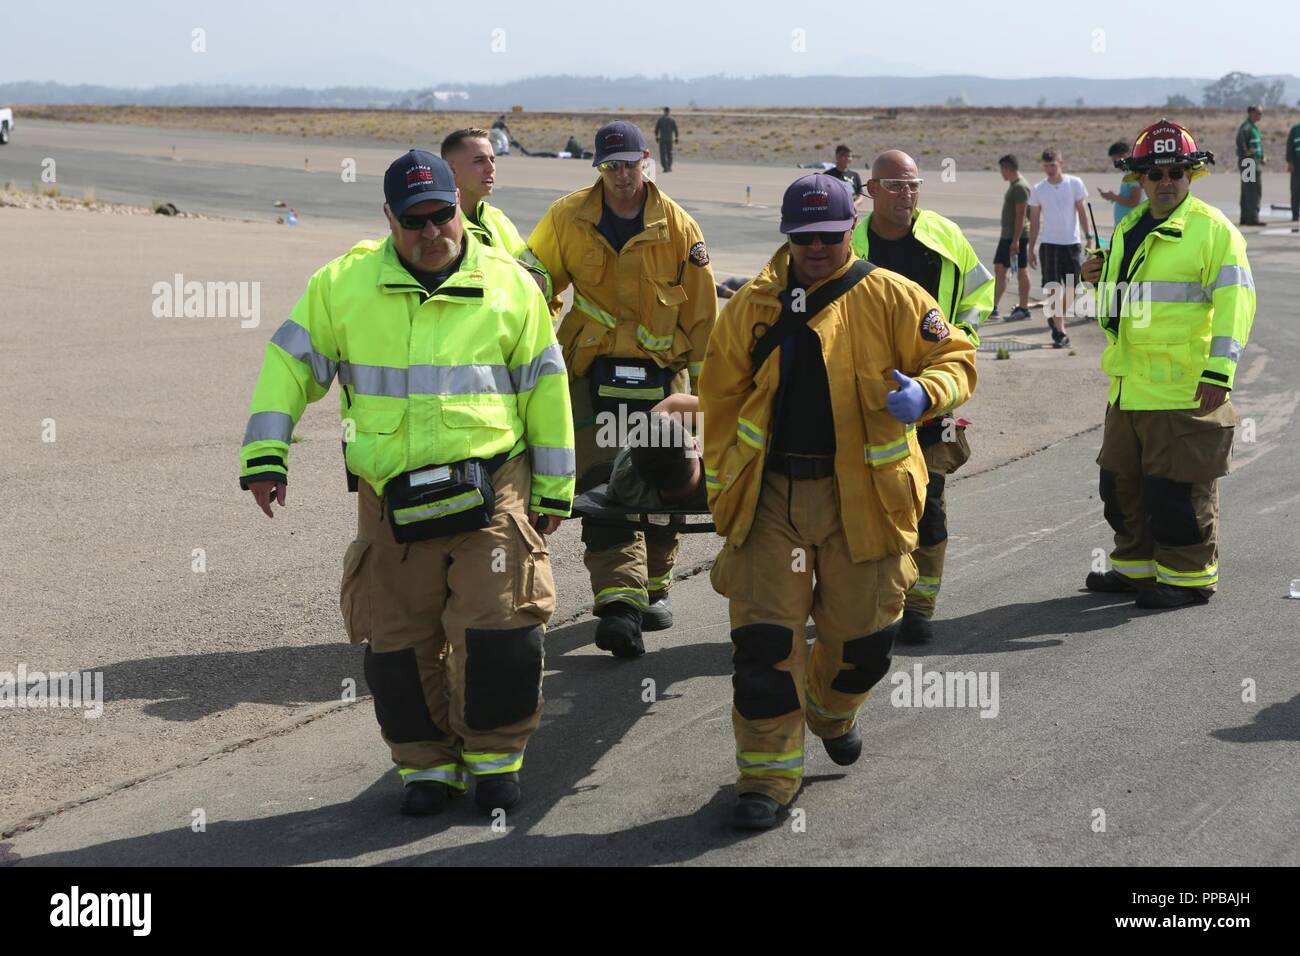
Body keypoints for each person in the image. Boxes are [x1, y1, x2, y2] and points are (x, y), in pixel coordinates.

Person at [238, 150, 574, 817]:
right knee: (397, 643)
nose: (431, 233)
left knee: (500, 631)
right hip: (390, 502)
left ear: (459, 208)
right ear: (388, 217)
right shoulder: (342, 286)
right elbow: (289, 365)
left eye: (442, 216)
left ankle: (495, 760)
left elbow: (547, 386)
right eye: (414, 220)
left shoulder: (509, 285)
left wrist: (553, 490)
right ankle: (427, 768)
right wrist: (267, 453)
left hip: (491, 488)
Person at [699, 173, 977, 829]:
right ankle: (765, 777)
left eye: (828, 235)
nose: (817, 248)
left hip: (865, 499)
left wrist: (928, 393)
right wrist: (724, 489)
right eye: (804, 237)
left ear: (850, 228)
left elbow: (959, 355)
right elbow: (717, 400)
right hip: (773, 501)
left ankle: (832, 709)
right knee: (765, 646)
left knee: (863, 645)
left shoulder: (894, 297)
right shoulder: (753, 306)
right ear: (788, 235)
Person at [523, 121, 718, 658]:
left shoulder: (679, 229)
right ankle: (619, 605)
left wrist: (709, 401)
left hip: (662, 379)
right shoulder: (568, 217)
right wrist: (526, 317)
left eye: (631, 164)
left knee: (664, 480)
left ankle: (656, 587)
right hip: (593, 374)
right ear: (598, 167)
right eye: (611, 166)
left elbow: (703, 319)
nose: (623, 175)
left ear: (647, 160)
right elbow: (533, 274)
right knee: (603, 485)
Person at [1081, 119, 1254, 610]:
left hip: (1183, 388)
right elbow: (1121, 304)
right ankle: (1136, 569)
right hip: (1129, 387)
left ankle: (1188, 578)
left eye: (1176, 171)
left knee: (1177, 491)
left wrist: (1220, 371)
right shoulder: (1131, 226)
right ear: (1139, 180)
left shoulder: (1212, 230)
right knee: (1120, 487)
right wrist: (1094, 275)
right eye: (1154, 174)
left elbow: (1238, 301)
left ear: (1192, 174)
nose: (1165, 181)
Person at [850, 149, 993, 644]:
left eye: (913, 186)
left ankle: (920, 605)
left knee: (928, 498)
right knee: (870, 500)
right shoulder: (852, 242)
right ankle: (875, 598)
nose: (907, 195)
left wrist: (964, 340)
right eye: (895, 185)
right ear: (871, 190)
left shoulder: (944, 237)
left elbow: (981, 287)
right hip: (869, 398)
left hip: (933, 394)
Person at [440, 128, 545, 293]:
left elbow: (539, 274)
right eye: (479, 160)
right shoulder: (438, 227)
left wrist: (536, 277)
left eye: (492, 160)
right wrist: (512, 273)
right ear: (451, 169)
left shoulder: (497, 219)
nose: (490, 168)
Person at [1028, 148, 1089, 348]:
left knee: (1074, 289)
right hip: (1049, 245)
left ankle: (1055, 318)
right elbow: (1035, 220)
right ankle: (1061, 331)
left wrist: (1088, 236)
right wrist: (1030, 248)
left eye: (1052, 165)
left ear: (1060, 163)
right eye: (1046, 166)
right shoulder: (1038, 189)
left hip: (1071, 244)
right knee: (1053, 288)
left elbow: (1081, 211)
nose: (1049, 169)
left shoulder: (1074, 183)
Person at [992, 154, 1032, 322]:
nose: (1001, 173)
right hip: (1008, 236)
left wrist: (1015, 241)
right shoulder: (1015, 185)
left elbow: (1021, 215)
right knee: (1000, 269)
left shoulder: (1020, 187)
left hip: (1016, 236)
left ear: (1007, 168)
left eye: (1002, 169)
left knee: (1021, 270)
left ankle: (1023, 308)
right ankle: (993, 307)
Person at [1098, 141, 1144, 234]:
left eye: (1115, 160)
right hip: (1125, 227)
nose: (1115, 164)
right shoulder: (1128, 174)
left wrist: (1113, 197)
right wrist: (1112, 197)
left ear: (1124, 155)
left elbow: (1134, 201)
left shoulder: (1134, 174)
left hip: (1131, 228)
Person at [1235, 105, 1265, 226]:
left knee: (1247, 190)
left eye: (1261, 113)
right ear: (1251, 113)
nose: (1260, 115)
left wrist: (1261, 156)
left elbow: (1257, 145)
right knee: (1253, 190)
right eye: (1258, 113)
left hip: (1254, 161)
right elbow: (1240, 143)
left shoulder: (1254, 128)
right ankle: (1253, 218)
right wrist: (1247, 153)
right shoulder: (1246, 127)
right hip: (1249, 163)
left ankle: (1245, 217)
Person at [823, 145, 865, 209]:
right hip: (833, 211)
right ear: (837, 157)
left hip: (851, 212)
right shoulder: (827, 175)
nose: (847, 158)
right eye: (843, 155)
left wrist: (855, 204)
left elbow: (860, 195)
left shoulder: (855, 175)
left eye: (849, 156)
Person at [654, 107, 679, 172]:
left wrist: (656, 137)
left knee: (663, 153)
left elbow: (656, 129)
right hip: (669, 139)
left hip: (663, 139)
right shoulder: (672, 120)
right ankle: (668, 166)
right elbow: (676, 130)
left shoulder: (661, 120)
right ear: (669, 111)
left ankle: (665, 167)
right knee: (669, 153)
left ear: (664, 111)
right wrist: (676, 137)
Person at [1287, 116, 1300, 222]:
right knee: (1295, 190)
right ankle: (1295, 214)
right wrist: (1290, 162)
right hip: (1297, 165)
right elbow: (1289, 146)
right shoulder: (1295, 130)